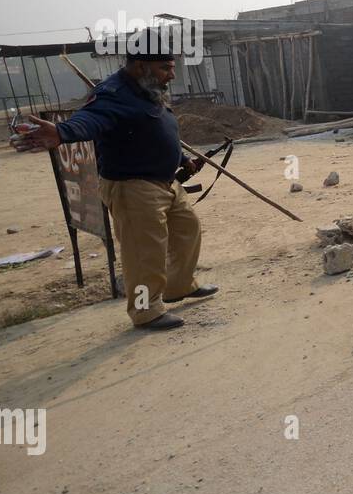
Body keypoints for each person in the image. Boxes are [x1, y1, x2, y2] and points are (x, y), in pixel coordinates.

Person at [12, 49, 217, 331]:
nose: (172, 74)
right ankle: (146, 311)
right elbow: (90, 120)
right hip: (133, 187)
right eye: (165, 68)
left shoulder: (148, 89)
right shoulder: (112, 94)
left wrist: (182, 159)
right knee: (144, 251)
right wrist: (62, 133)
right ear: (140, 66)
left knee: (187, 230)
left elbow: (157, 129)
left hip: (166, 181)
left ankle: (177, 286)